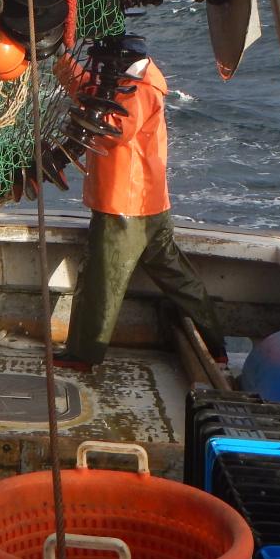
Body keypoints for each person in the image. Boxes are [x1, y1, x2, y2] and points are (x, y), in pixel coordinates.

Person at [57, 32, 226, 372]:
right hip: (151, 203)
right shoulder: (134, 79)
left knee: (102, 280)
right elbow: (89, 89)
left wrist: (82, 117)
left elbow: (115, 130)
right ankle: (215, 344)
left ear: (118, 62)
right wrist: (61, 59)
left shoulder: (141, 89)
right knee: (175, 274)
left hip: (124, 204)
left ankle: (84, 354)